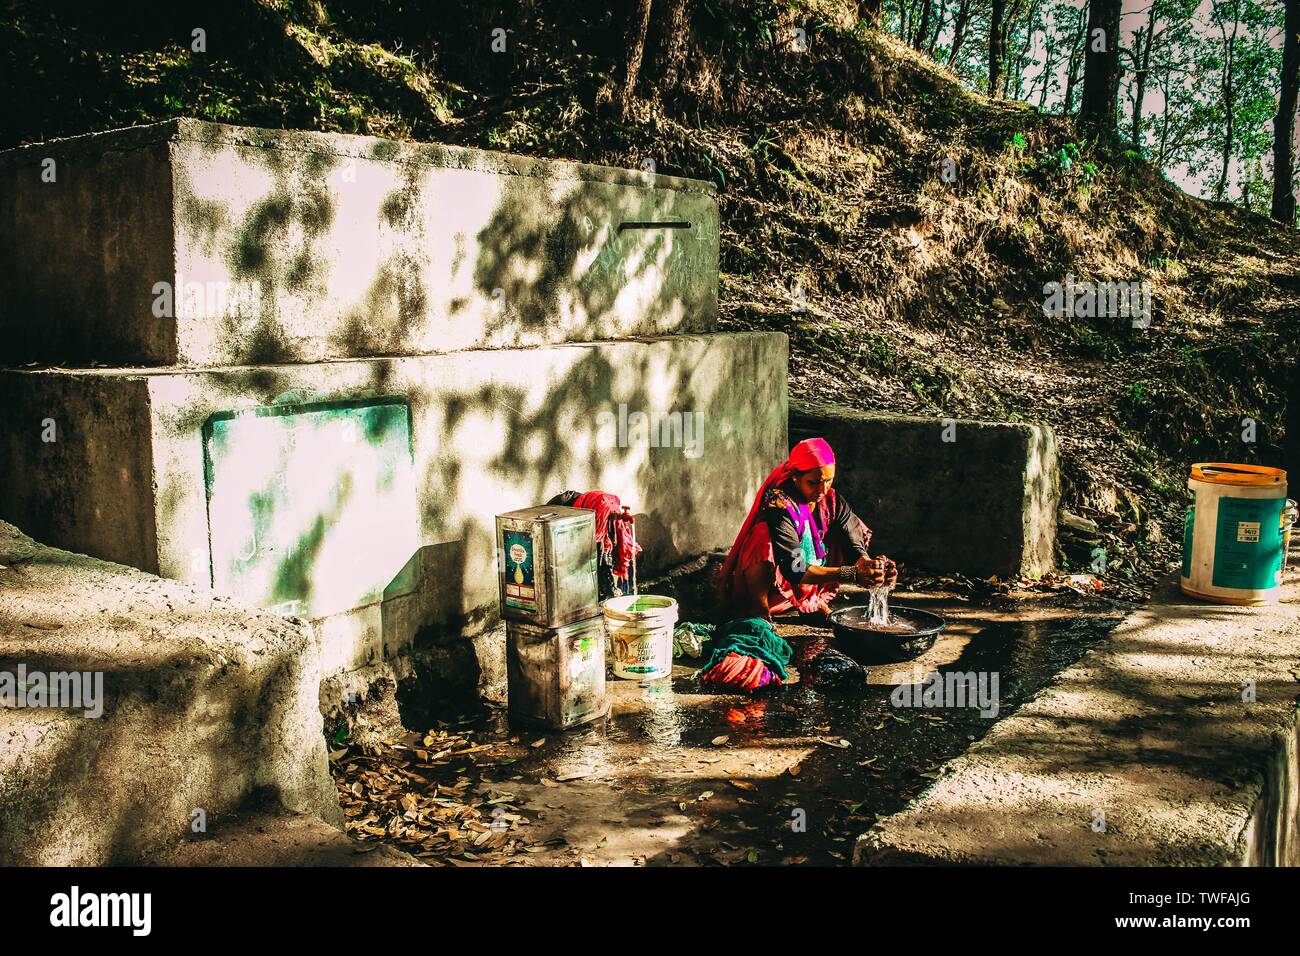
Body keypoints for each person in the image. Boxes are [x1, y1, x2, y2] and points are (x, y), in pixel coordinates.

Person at [716, 437, 896, 620]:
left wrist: (867, 564)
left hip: (798, 590)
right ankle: (759, 611)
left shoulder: (831, 501)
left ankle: (811, 602)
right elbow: (794, 567)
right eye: (813, 482)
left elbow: (851, 537)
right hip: (775, 590)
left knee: (840, 532)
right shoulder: (780, 505)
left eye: (828, 480)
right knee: (762, 536)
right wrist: (851, 574)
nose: (822, 489)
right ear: (795, 476)